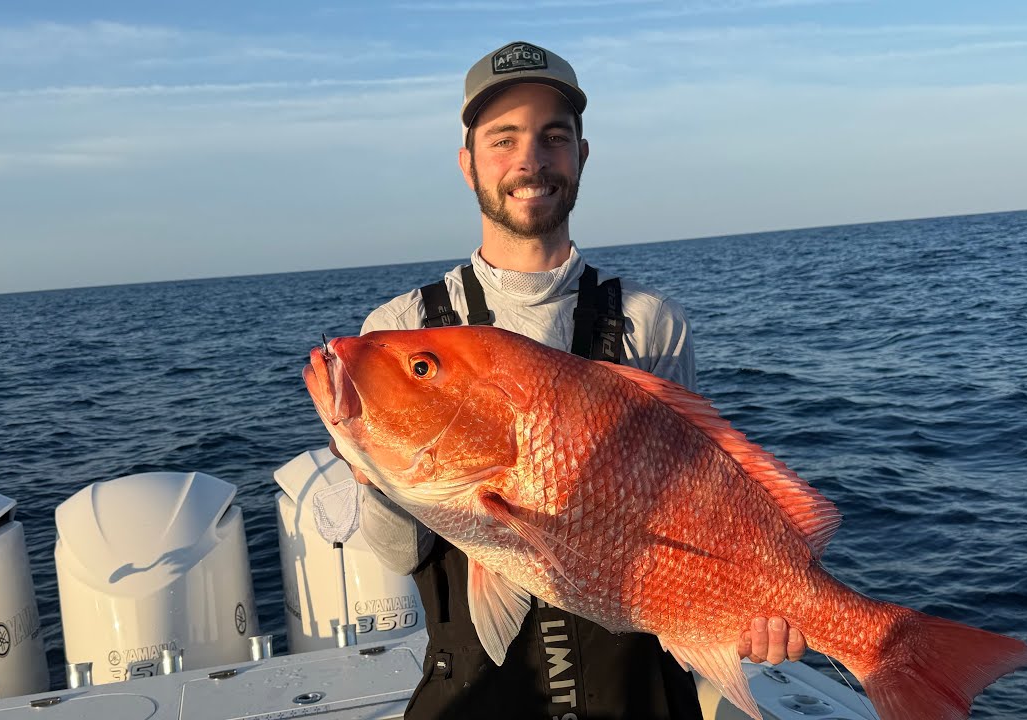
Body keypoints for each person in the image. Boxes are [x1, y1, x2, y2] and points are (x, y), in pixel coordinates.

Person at [344, 41, 806, 720]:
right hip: (475, 694)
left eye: (553, 137)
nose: (530, 160)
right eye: (503, 139)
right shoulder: (403, 325)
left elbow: (705, 499)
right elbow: (397, 551)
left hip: (640, 693)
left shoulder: (649, 324)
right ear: (467, 161)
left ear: (581, 156)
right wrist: (373, 468)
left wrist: (758, 612)